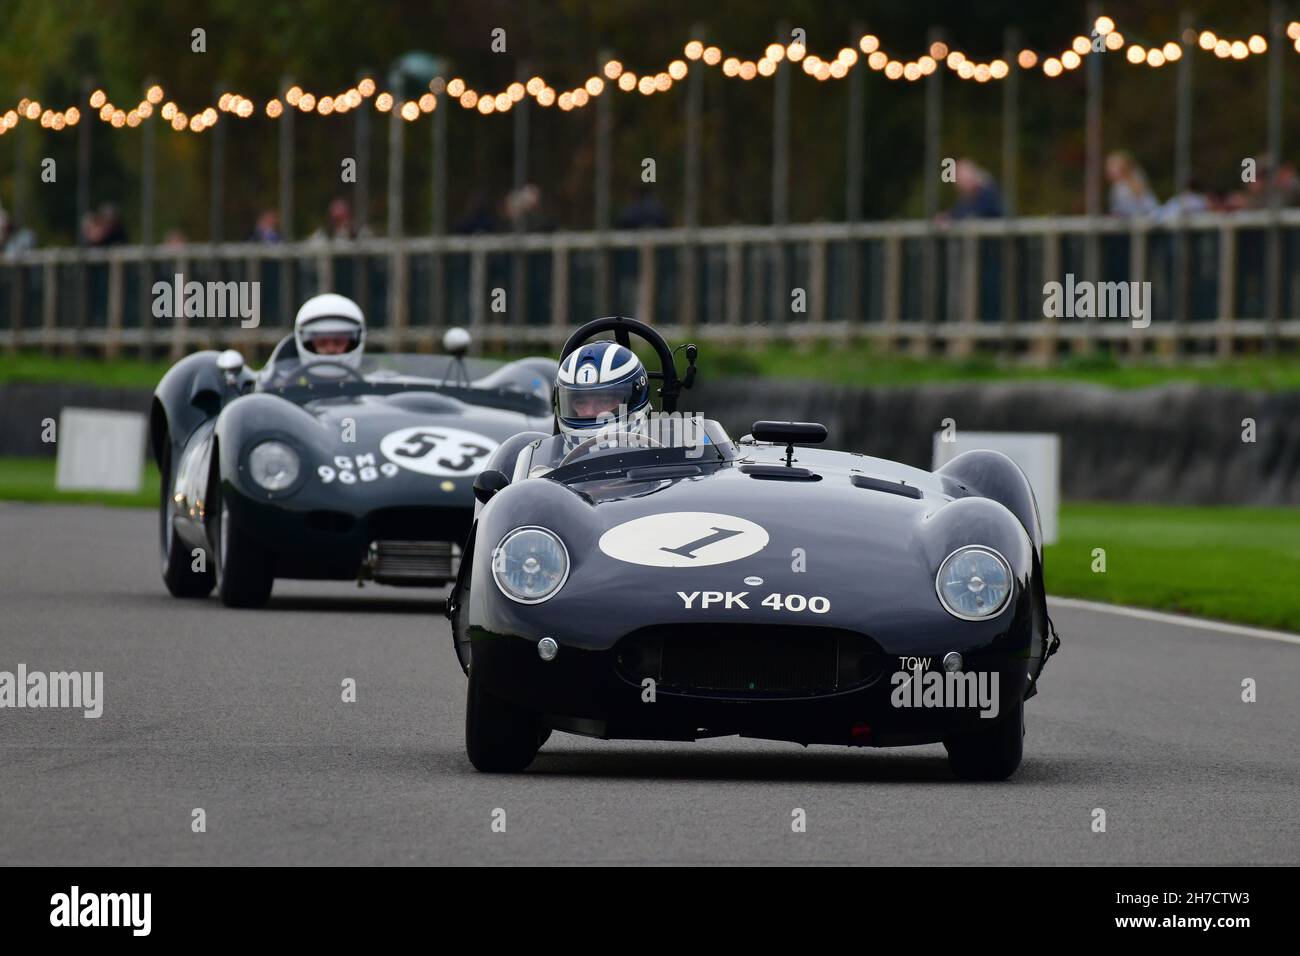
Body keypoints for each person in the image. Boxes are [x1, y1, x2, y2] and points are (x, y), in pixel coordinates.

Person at [553, 341, 650, 447]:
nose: (589, 412)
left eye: (605, 401)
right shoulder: (550, 460)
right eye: (580, 402)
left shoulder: (663, 455)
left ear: (635, 399)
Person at [293, 293, 366, 370]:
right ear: (309, 344)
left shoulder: (372, 380)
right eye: (322, 341)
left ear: (352, 343)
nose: (331, 349)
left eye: (339, 341)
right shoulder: (289, 381)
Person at [1106, 150, 1158, 217]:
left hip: (1148, 218)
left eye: (1112, 167)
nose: (1108, 170)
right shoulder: (1116, 187)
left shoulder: (1129, 184)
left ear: (1122, 168)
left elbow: (1146, 207)